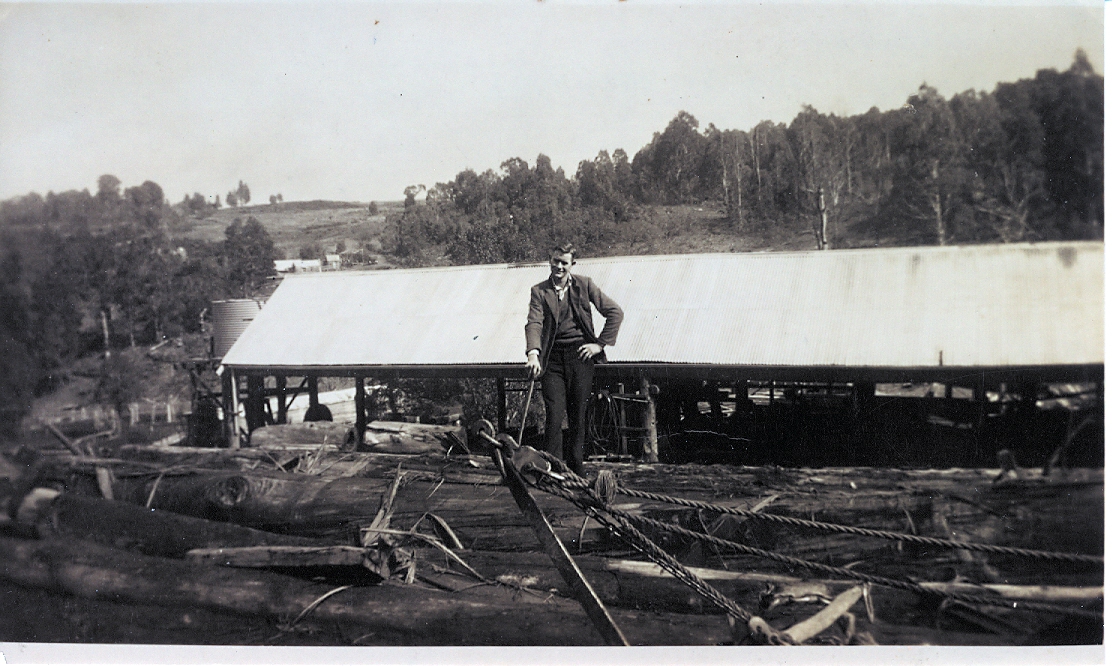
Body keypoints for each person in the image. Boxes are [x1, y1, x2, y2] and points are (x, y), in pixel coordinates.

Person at [525, 244, 623, 477]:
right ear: (550, 260)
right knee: (555, 415)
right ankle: (552, 470)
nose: (559, 266)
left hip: (580, 357)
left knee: (578, 415)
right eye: (555, 261)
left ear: (572, 265)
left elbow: (615, 312)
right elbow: (534, 323)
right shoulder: (539, 291)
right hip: (552, 360)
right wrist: (533, 353)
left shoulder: (584, 284)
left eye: (564, 263)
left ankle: (577, 471)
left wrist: (599, 344)